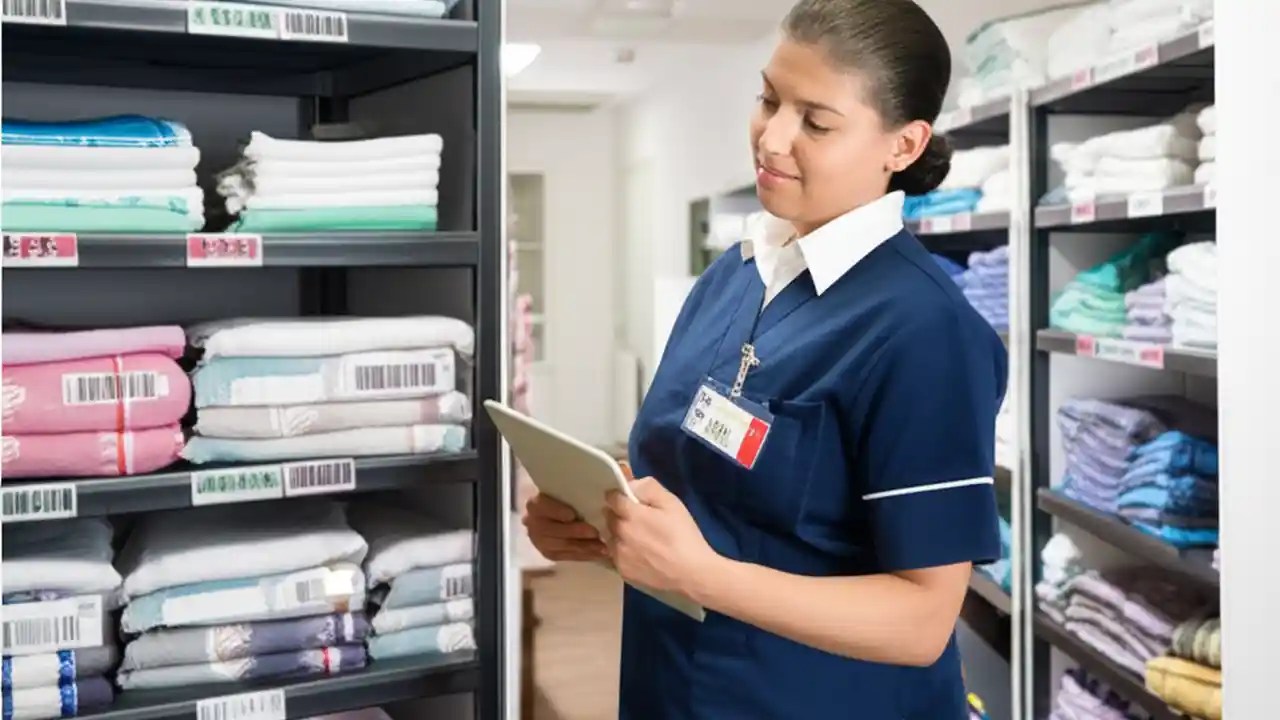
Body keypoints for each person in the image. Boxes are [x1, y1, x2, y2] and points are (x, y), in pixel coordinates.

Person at [522, 0, 1007, 716]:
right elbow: (714, 488)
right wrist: (604, 522)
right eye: (769, 99)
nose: (772, 138)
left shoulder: (924, 330)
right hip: (674, 688)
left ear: (902, 146)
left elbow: (921, 622)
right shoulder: (734, 276)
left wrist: (702, 574)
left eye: (815, 121)